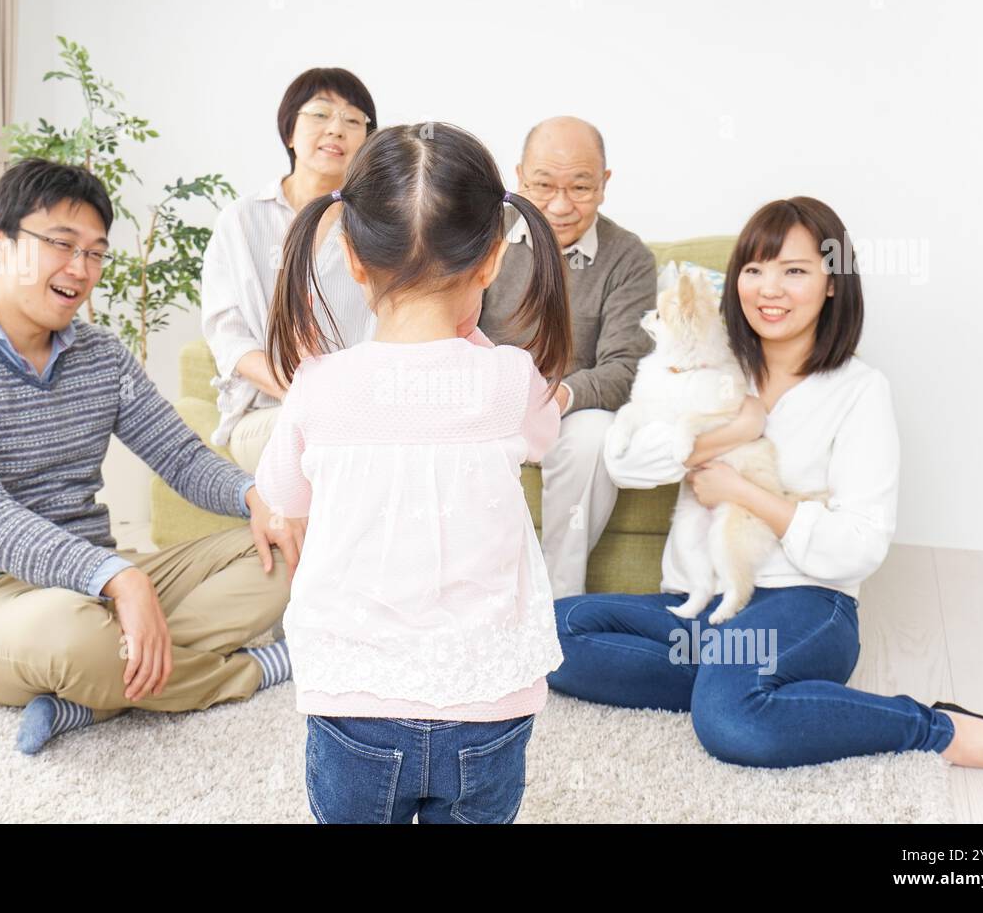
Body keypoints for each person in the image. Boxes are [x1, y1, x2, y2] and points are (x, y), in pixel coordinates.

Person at [547, 196, 983, 780]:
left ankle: (939, 727)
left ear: (833, 283)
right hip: (702, 605)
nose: (770, 288)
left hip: (804, 602)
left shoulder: (860, 390)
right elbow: (625, 461)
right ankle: (736, 676)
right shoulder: (714, 369)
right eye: (755, 269)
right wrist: (733, 430)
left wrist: (743, 492)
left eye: (795, 271)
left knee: (730, 721)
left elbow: (860, 544)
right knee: (553, 633)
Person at [0, 159, 305, 755]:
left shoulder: (100, 355)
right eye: (62, 245)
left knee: (284, 550)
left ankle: (87, 699)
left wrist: (255, 498)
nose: (81, 270)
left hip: (100, 577)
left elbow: (181, 457)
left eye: (95, 252)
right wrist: (120, 580)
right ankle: (254, 670)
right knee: (75, 638)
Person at [253, 123, 575, 823]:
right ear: (492, 260)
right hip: (487, 706)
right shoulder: (508, 378)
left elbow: (280, 497)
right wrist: (480, 346)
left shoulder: (319, 384)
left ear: (353, 260)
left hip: (354, 705)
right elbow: (544, 433)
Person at [479, 116, 656, 600]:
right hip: (485, 400)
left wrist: (556, 398)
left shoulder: (629, 258)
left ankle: (557, 603)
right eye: (543, 186)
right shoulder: (483, 235)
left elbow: (625, 368)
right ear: (518, 177)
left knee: (594, 436)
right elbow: (453, 326)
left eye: (580, 187)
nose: (560, 206)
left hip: (567, 411)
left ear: (605, 184)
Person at [200, 67, 378, 473]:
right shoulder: (242, 221)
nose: (336, 129)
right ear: (289, 133)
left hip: (357, 413)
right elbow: (227, 336)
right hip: (267, 415)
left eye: (353, 121)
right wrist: (306, 397)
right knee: (331, 434)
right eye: (320, 114)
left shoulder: (378, 230)